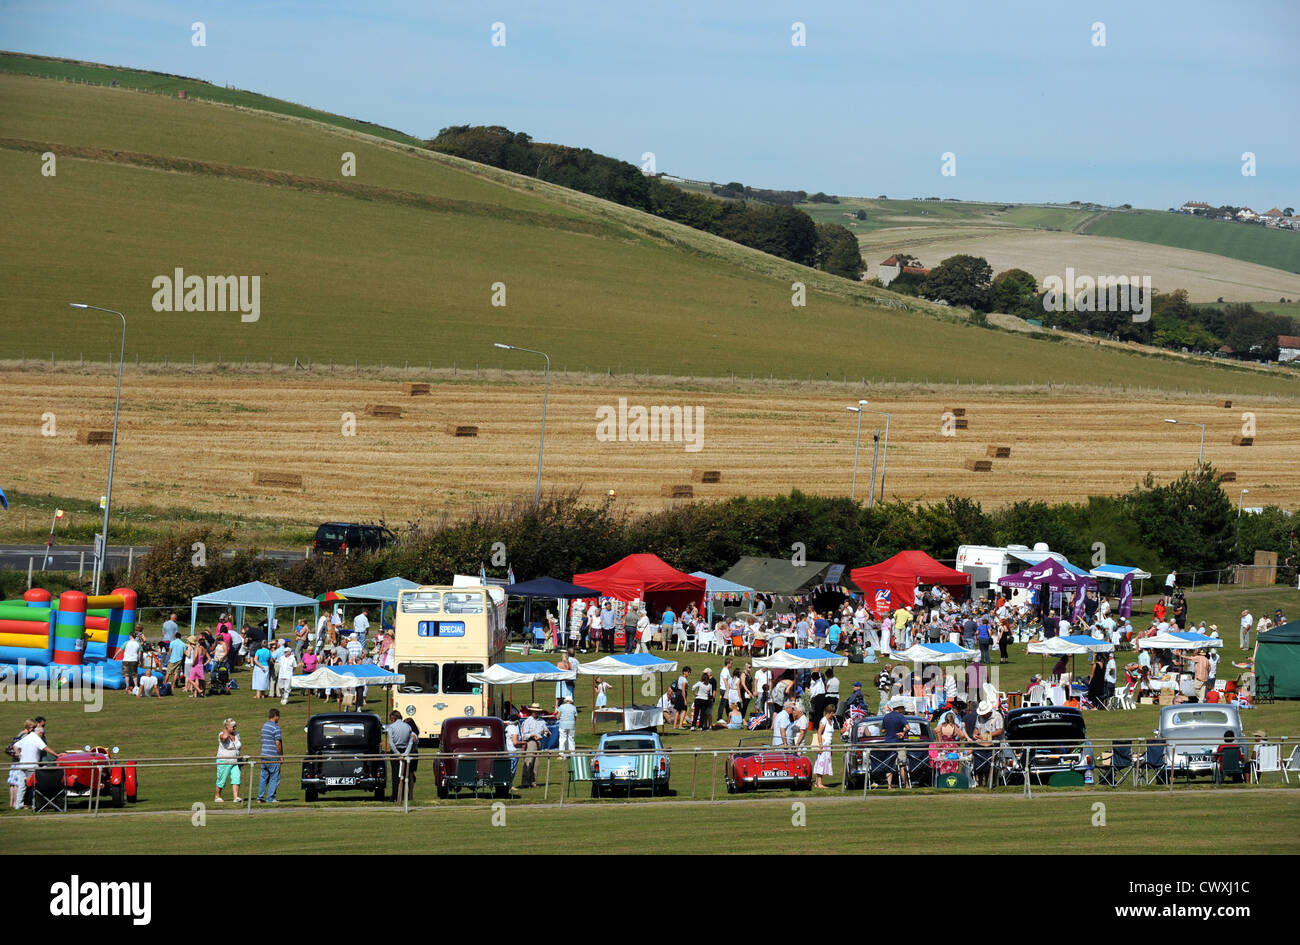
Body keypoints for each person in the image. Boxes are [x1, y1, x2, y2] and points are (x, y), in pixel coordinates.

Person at [387, 710, 415, 802]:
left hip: (395, 752)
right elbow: (410, 741)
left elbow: (391, 742)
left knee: (395, 775)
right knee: (405, 774)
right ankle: (404, 796)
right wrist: (405, 753)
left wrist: (397, 754)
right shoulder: (407, 726)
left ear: (393, 718)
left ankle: (395, 796)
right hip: (405, 751)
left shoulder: (391, 727)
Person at [519, 704, 548, 788]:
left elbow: (545, 731)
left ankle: (533, 782)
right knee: (529, 761)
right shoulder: (527, 721)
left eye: (537, 711)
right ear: (532, 711)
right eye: (534, 711)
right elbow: (525, 734)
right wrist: (532, 735)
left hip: (539, 742)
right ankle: (525, 782)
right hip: (531, 742)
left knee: (536, 764)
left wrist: (547, 733)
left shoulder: (542, 721)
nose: (536, 713)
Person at [257, 709, 283, 803]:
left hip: (264, 755)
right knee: (275, 777)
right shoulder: (276, 728)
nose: (279, 718)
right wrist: (281, 756)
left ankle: (260, 798)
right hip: (273, 755)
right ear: (275, 716)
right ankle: (270, 798)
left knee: (263, 777)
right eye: (278, 716)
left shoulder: (264, 726)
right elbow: (278, 743)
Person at [214, 719, 242, 803]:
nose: (235, 727)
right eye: (233, 726)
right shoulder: (221, 734)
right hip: (224, 761)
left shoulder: (237, 734)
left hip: (235, 761)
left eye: (235, 725)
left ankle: (236, 797)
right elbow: (224, 738)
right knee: (222, 780)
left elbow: (239, 746)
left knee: (236, 777)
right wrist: (226, 730)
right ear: (227, 727)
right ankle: (217, 796)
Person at [813, 705, 836, 788]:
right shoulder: (824, 720)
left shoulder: (831, 721)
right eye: (833, 713)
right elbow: (819, 732)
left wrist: (831, 747)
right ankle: (819, 783)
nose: (834, 714)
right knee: (821, 763)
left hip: (828, 745)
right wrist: (820, 745)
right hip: (824, 745)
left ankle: (817, 782)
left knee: (824, 763)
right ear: (829, 712)